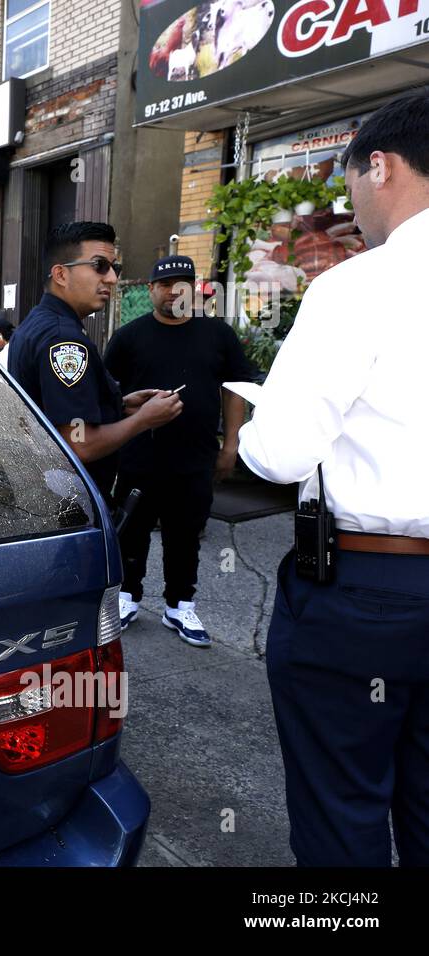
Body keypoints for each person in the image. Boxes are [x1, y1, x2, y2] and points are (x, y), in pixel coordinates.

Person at [237, 89, 429, 867]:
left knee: (340, 810)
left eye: (349, 181)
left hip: (365, 595)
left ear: (378, 165)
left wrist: (249, 418)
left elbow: (279, 454)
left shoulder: (358, 288)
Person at [104, 255, 258, 646]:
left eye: (184, 283)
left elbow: (234, 389)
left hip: (195, 457)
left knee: (185, 535)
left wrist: (231, 445)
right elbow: (108, 396)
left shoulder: (218, 335)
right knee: (132, 532)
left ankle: (180, 606)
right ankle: (127, 598)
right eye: (167, 284)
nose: (176, 291)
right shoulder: (128, 337)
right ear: (151, 289)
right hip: (138, 455)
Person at [5, 221, 183, 505]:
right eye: (100, 265)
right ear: (61, 274)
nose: (111, 277)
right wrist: (143, 419)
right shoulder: (63, 338)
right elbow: (79, 443)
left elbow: (53, 410)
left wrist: (120, 405)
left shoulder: (41, 322)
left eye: (115, 267)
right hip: (68, 504)